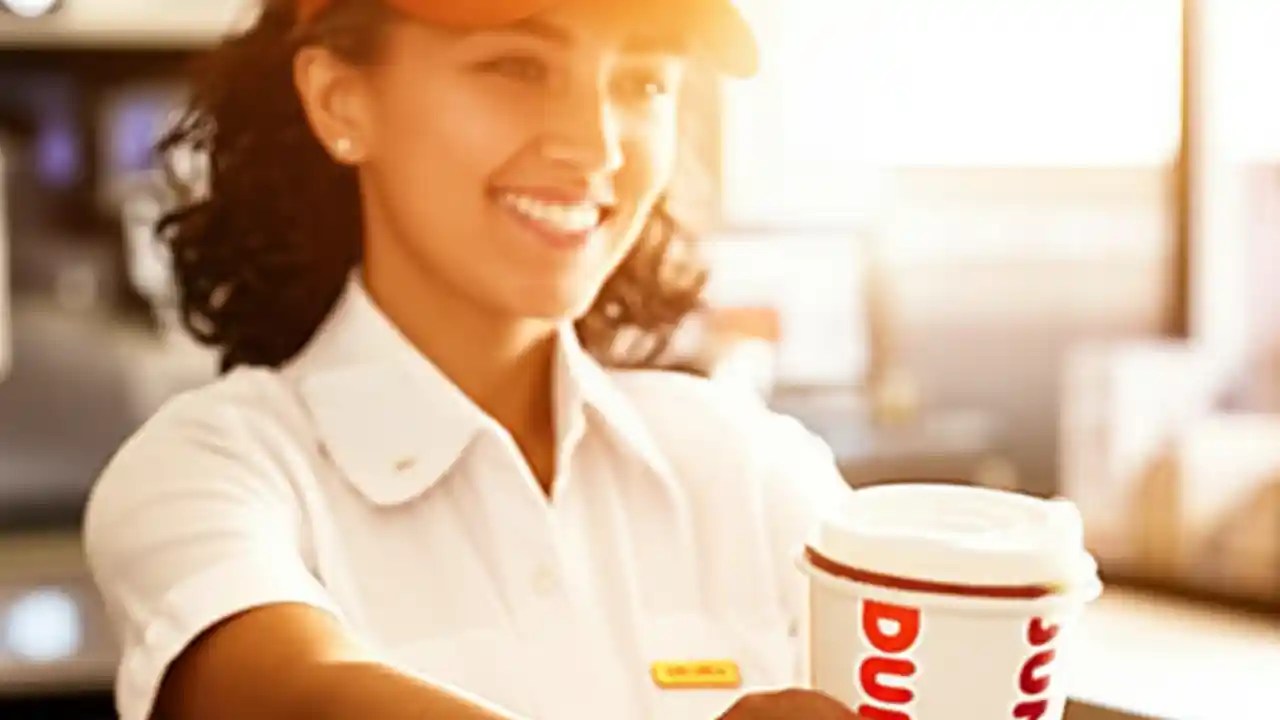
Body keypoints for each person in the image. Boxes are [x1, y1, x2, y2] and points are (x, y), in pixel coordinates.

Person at [83, 1, 858, 718]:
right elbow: (299, 693)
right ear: (340, 101)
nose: (594, 145)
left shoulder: (751, 469)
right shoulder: (211, 470)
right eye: (516, 66)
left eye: (643, 81)